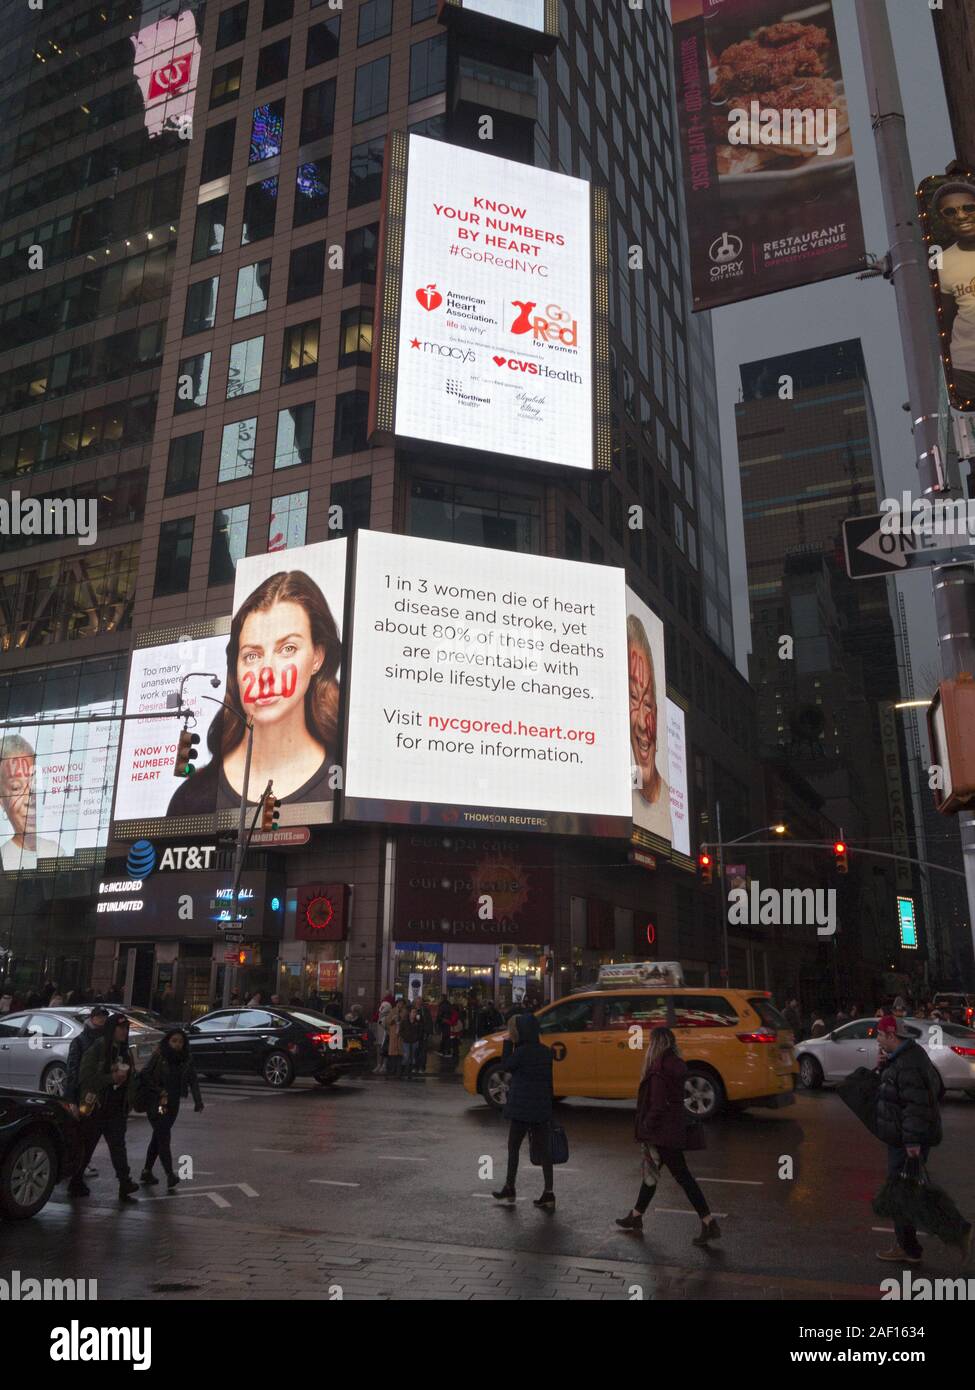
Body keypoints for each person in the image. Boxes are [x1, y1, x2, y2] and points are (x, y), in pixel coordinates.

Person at [167, 569, 343, 818]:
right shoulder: (192, 799)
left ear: (317, 657)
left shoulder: (343, 784)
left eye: (287, 648)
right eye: (252, 655)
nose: (266, 672)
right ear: (235, 668)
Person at [873, 1013, 970, 1264]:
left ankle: (913, 1246)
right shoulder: (907, 1057)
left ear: (892, 1035)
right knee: (912, 1192)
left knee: (901, 1195)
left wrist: (912, 1143)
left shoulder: (907, 1063)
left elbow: (915, 1105)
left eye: (880, 1036)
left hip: (907, 1141)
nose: (878, 1040)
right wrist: (885, 1066)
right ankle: (951, 1232)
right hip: (907, 1138)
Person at [616, 1026, 720, 1245]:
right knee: (652, 1173)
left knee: (682, 1177)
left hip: (662, 1132)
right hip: (673, 1128)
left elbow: (657, 1106)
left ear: (656, 1044)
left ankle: (709, 1221)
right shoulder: (676, 1065)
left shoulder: (659, 1069)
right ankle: (636, 1215)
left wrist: (646, 1125)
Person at [71, 1013, 140, 1203]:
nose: (124, 1032)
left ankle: (125, 1184)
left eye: (126, 1028)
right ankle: (75, 1181)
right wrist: (111, 1078)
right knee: (87, 1145)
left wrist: (130, 1098)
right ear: (111, 1029)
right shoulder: (99, 1047)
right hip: (96, 1108)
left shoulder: (125, 1051)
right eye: (120, 1028)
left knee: (118, 1147)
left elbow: (131, 1079)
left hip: (116, 1109)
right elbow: (85, 1078)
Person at [492, 1012, 555, 1210]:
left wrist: (508, 1043)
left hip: (521, 1109)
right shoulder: (545, 1052)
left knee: (514, 1147)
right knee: (545, 1152)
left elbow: (505, 1066)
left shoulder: (520, 1053)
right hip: (540, 1108)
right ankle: (549, 1192)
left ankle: (510, 1186)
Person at [627, 610, 672, 842]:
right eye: (633, 698)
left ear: (656, 710)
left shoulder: (671, 805)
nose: (644, 724)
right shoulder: (620, 797)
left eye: (647, 702)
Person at [139, 1028, 204, 1191]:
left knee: (158, 1136)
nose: (177, 1044)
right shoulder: (159, 1055)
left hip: (173, 1103)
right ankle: (170, 1174)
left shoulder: (186, 1059)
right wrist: (159, 1090)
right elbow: (145, 1074)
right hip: (158, 1103)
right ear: (168, 1041)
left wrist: (198, 1100)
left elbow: (193, 1079)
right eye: (174, 1041)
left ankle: (147, 1171)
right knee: (163, 1135)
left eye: (180, 1041)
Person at [933, 180, 975, 401]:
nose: (961, 216)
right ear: (943, 219)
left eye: (968, 208)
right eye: (951, 212)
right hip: (967, 368)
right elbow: (945, 319)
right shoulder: (941, 262)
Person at [0, 734, 62, 871]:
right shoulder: (4, 858)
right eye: (16, 787)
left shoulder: (54, 852)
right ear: (1, 800)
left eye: (32, 784)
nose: (29, 799)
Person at [64, 1006, 110, 1115]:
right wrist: (71, 1099)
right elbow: (72, 1070)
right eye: (99, 1016)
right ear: (92, 1018)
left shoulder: (109, 1039)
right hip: (85, 1093)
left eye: (104, 1016)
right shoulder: (80, 1041)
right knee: (86, 1123)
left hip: (104, 1095)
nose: (102, 1019)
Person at [373, 993, 393, 1074]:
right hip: (382, 1033)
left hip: (385, 1034)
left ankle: (383, 1065)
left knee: (384, 1050)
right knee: (381, 1049)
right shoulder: (384, 1007)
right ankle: (380, 1065)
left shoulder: (386, 1006)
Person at [400, 1001, 420, 1079]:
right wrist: (405, 1036)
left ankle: (409, 1072)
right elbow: (401, 1031)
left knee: (412, 1057)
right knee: (406, 1056)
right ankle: (402, 1070)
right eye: (413, 1012)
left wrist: (417, 1037)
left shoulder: (417, 1022)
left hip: (414, 1041)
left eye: (415, 1012)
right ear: (409, 1013)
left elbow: (419, 1031)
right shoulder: (405, 1022)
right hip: (406, 1041)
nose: (414, 1014)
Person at [385, 1000, 404, 1079]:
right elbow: (387, 1022)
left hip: (400, 1035)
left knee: (400, 1054)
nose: (400, 1005)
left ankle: (398, 1072)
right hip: (393, 1034)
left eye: (402, 1004)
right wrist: (393, 1019)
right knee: (393, 1054)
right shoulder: (392, 1011)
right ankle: (392, 1070)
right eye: (399, 1003)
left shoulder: (404, 1011)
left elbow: (405, 1020)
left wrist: (400, 1019)